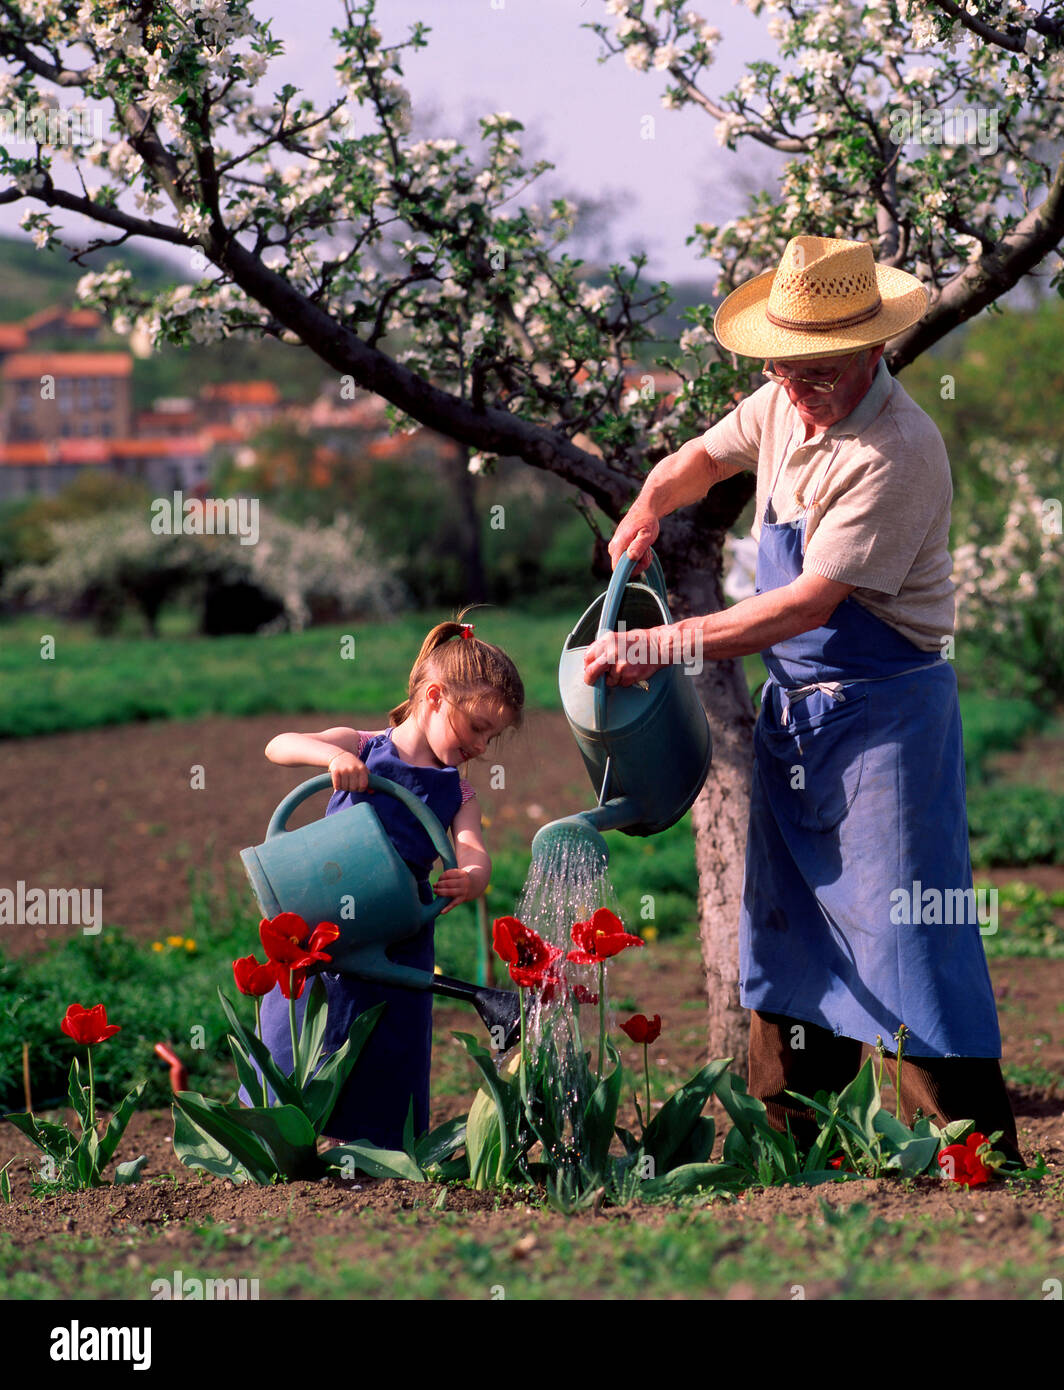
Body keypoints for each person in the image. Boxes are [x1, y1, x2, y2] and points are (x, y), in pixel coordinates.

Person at [583, 234, 1023, 1164]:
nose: (795, 389)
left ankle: (973, 1152)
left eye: (816, 373)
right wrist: (649, 505)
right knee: (785, 936)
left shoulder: (896, 450)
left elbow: (802, 605)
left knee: (909, 928)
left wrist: (656, 644)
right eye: (783, 370)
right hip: (800, 723)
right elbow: (700, 457)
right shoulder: (785, 403)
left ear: (873, 350)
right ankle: (789, 1152)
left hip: (884, 721)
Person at [243, 613, 524, 1150]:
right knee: (300, 1024)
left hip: (399, 931)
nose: (483, 747)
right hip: (325, 918)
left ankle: (375, 1154)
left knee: (389, 1038)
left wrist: (471, 877)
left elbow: (472, 850)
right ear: (436, 696)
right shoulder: (363, 745)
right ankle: (275, 1139)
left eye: (493, 736)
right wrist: (333, 757)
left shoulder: (457, 794)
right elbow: (278, 744)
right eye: (478, 728)